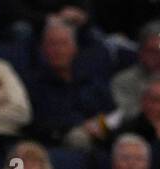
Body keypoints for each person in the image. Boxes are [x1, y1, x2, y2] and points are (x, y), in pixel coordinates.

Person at [22, 16, 114, 147]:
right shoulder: (32, 83)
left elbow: (114, 114)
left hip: (100, 136)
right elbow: (38, 121)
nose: (58, 50)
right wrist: (81, 125)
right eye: (53, 44)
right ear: (43, 49)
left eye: (63, 44)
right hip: (57, 141)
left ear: (74, 48)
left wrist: (99, 125)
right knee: (78, 138)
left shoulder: (91, 80)